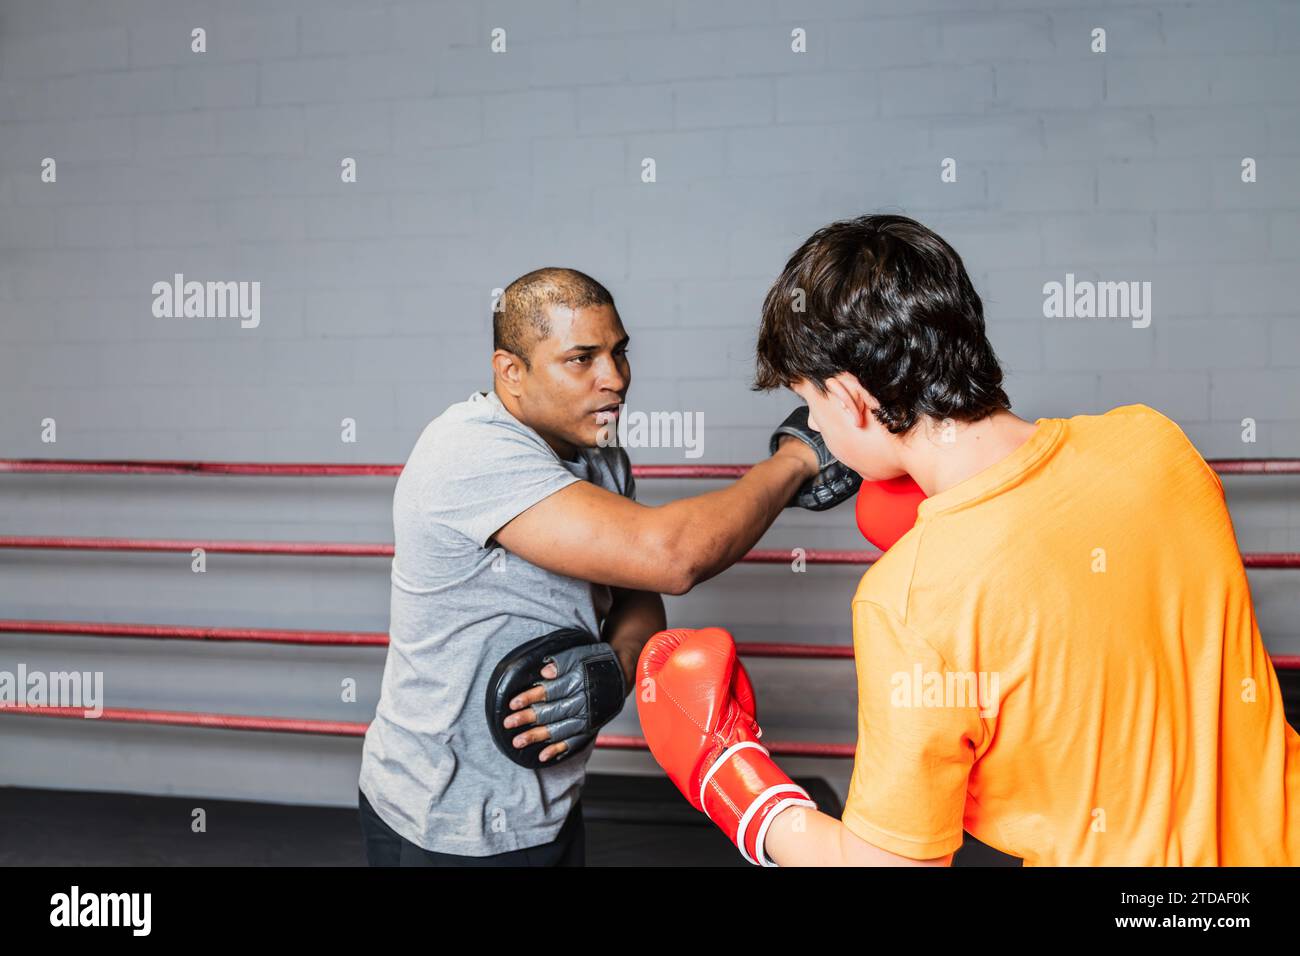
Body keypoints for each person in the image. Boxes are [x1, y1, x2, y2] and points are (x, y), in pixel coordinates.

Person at [637, 214, 1300, 866]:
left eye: (809, 401)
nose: (813, 422)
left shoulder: (910, 601)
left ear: (851, 398)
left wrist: (731, 779)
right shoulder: (1155, 442)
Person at [357, 267, 842, 866]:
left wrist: (619, 662)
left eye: (619, 352)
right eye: (581, 359)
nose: (614, 379)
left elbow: (637, 591)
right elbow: (670, 558)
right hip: (442, 816)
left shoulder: (602, 455)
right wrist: (798, 459)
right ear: (511, 372)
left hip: (549, 803)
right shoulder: (468, 451)